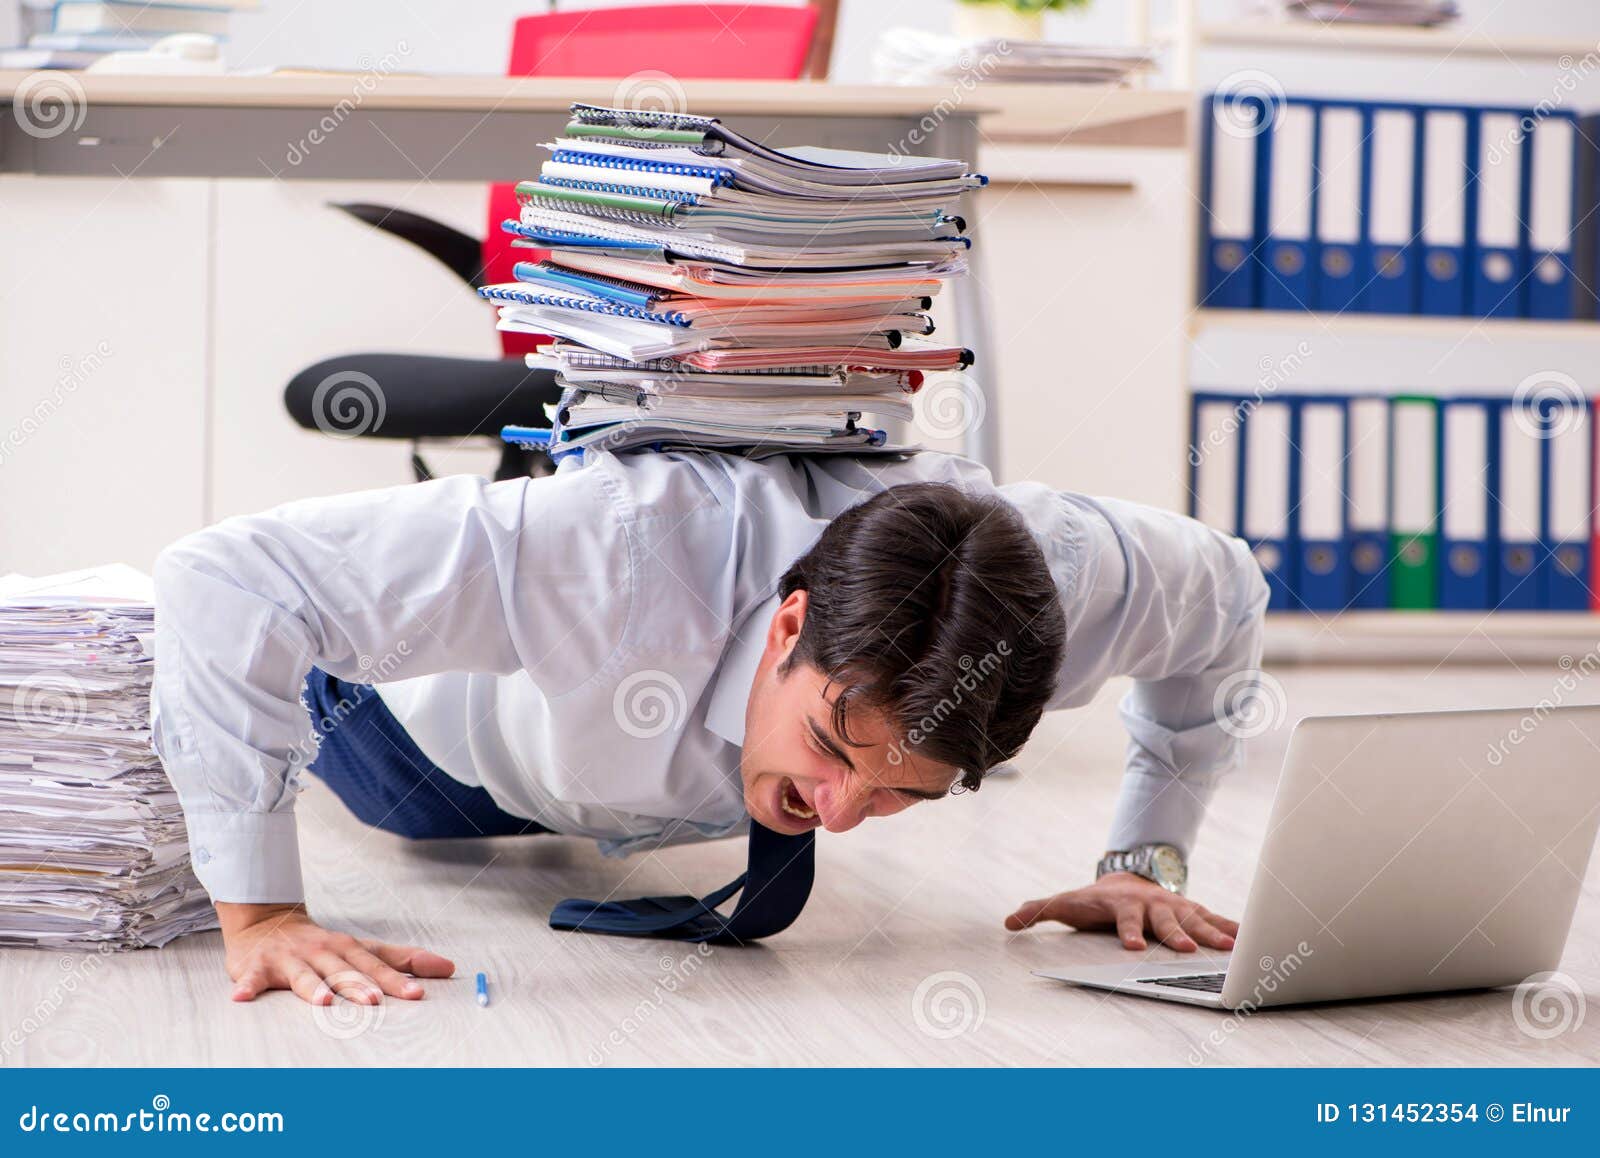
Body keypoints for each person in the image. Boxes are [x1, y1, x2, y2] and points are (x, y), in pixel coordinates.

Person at [152, 449, 1268, 1007]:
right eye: (833, 749)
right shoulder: (612, 549)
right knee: (286, 631)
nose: (842, 817)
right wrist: (263, 912)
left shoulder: (1064, 592)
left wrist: (1143, 861)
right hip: (414, 757)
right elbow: (225, 578)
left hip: (605, 760)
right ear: (788, 626)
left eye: (904, 791)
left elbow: (1227, 596)